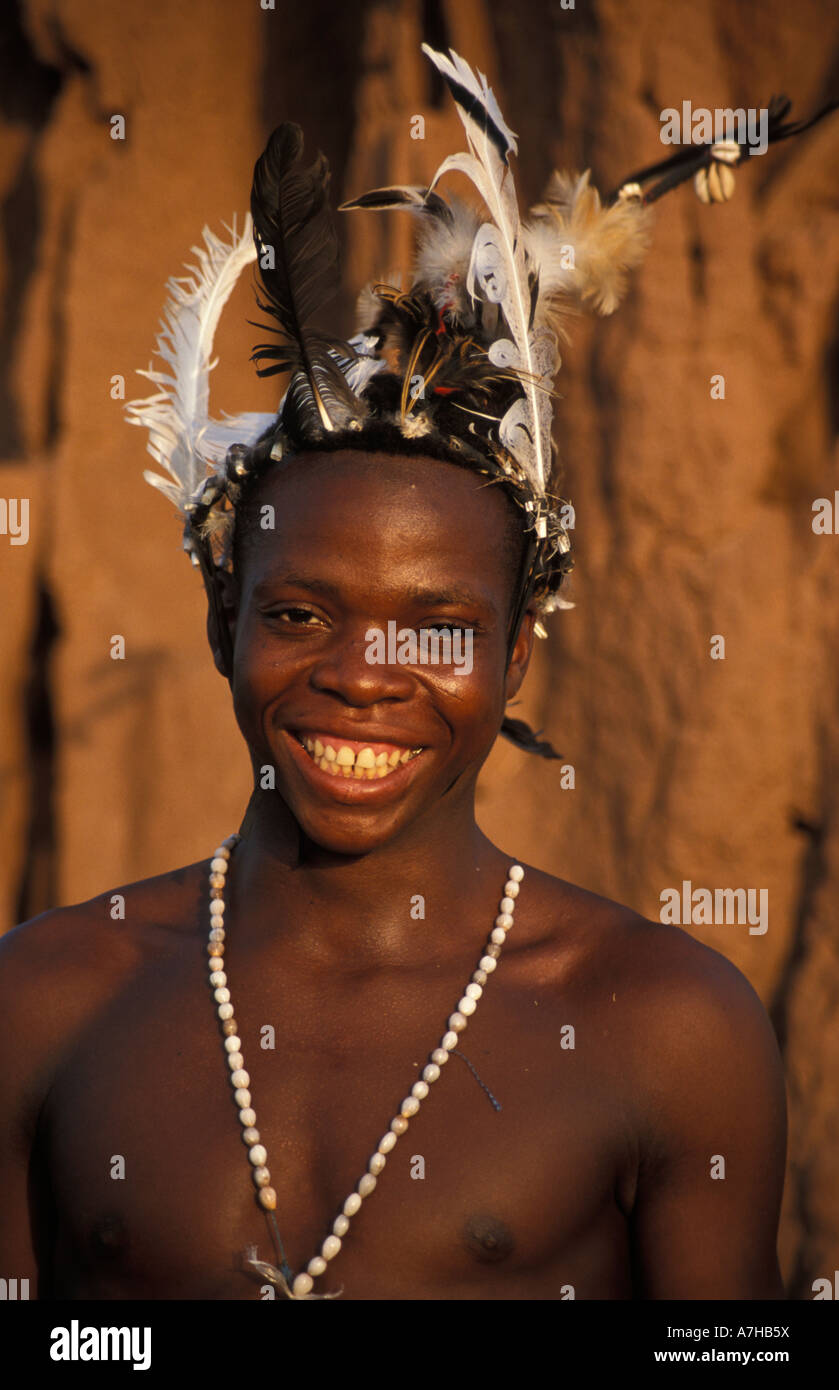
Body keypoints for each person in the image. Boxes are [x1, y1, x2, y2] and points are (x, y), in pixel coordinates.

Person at [6, 42, 825, 1302]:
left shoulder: (662, 1025)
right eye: (299, 613)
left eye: (434, 627)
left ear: (513, 653)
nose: (362, 676)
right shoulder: (48, 997)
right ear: (226, 616)